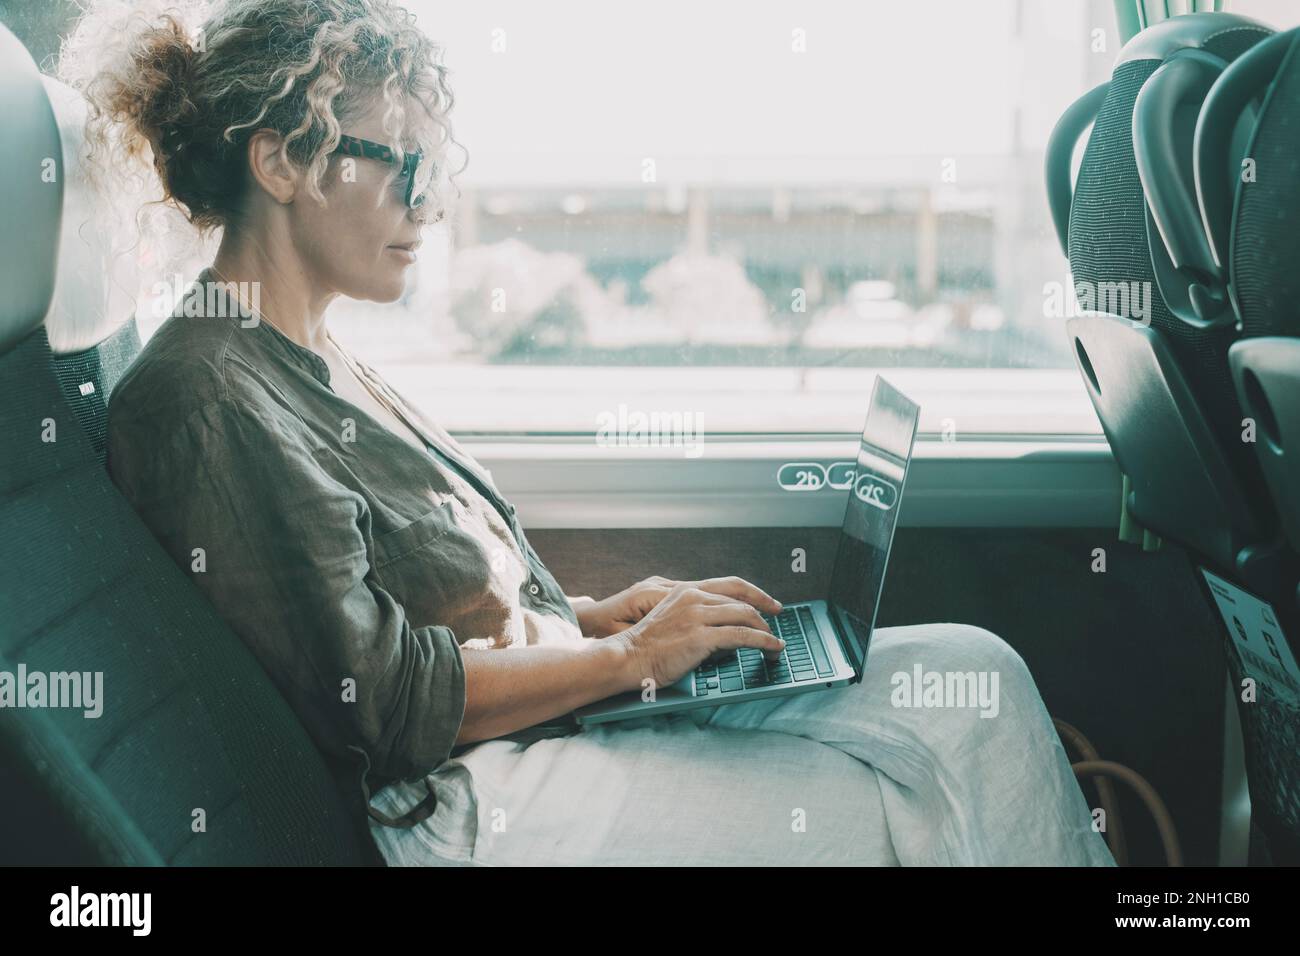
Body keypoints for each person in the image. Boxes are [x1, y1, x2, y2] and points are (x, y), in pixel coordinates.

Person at [64, 0, 1114, 866]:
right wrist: (625, 661)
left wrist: (602, 619)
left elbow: (444, 604)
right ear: (282, 164)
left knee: (974, 678)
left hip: (527, 730)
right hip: (459, 802)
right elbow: (378, 698)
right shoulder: (206, 397)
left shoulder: (316, 353)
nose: (428, 207)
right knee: (912, 806)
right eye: (402, 168)